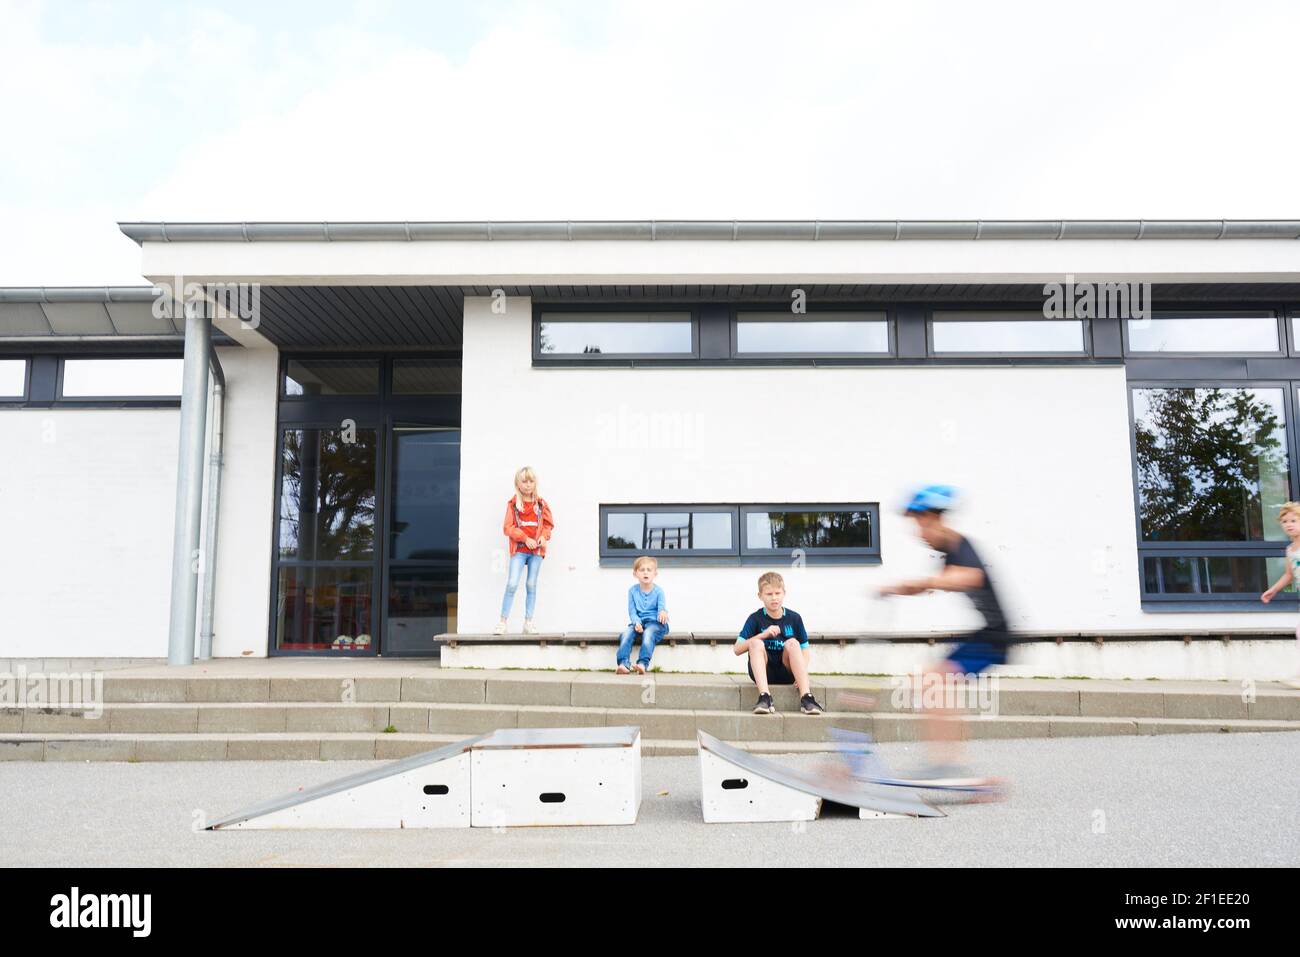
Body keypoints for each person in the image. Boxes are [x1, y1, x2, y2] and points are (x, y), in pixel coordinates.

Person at [878, 485, 1010, 780]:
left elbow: (970, 576)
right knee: (929, 682)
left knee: (934, 681)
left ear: (932, 519)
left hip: (995, 637)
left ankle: (949, 763)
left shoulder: (961, 546)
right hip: (984, 633)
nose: (919, 535)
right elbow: (935, 583)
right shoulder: (949, 552)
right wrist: (896, 589)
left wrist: (928, 582)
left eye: (919, 525)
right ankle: (950, 761)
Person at [734, 571, 825, 715]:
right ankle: (765, 697)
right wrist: (763, 634)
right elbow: (737, 649)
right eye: (769, 594)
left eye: (777, 593)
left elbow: (805, 650)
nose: (774, 598)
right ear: (760, 596)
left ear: (784, 593)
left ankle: (807, 698)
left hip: (787, 672)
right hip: (763, 671)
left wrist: (802, 674)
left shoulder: (794, 618)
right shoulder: (755, 618)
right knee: (756, 644)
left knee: (793, 643)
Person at [493, 467, 554, 635]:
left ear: (535, 483)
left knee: (531, 584)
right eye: (524, 481)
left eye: (531, 481)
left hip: (536, 553)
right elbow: (508, 527)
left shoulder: (541, 504)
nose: (528, 485)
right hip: (520, 550)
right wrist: (525, 538)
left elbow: (548, 525)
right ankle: (502, 622)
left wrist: (543, 537)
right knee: (512, 583)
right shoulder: (513, 504)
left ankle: (528, 622)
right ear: (517, 484)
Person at [1259, 501, 1300, 690]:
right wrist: (1273, 589)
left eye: (1294, 520)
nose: (1289, 524)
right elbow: (1289, 575)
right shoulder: (1290, 550)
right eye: (1285, 521)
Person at [616, 556, 670, 674]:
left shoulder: (658, 591)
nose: (645, 572)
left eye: (649, 570)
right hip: (639, 623)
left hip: (656, 623)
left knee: (649, 633)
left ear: (655, 574)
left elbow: (661, 608)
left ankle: (642, 664)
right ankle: (623, 664)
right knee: (626, 634)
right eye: (642, 570)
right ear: (635, 574)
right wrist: (636, 623)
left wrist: (663, 612)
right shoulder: (632, 591)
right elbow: (632, 611)